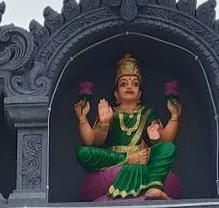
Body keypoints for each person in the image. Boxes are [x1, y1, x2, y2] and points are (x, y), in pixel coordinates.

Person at [74, 54, 181, 200]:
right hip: (115, 160)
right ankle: (128, 160)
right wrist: (86, 119)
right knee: (83, 152)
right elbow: (92, 142)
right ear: (116, 94)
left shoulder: (147, 113)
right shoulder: (110, 113)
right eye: (123, 84)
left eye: (135, 84)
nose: (129, 87)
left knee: (168, 148)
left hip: (143, 159)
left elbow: (165, 140)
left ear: (140, 93)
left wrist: (173, 118)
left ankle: (155, 188)